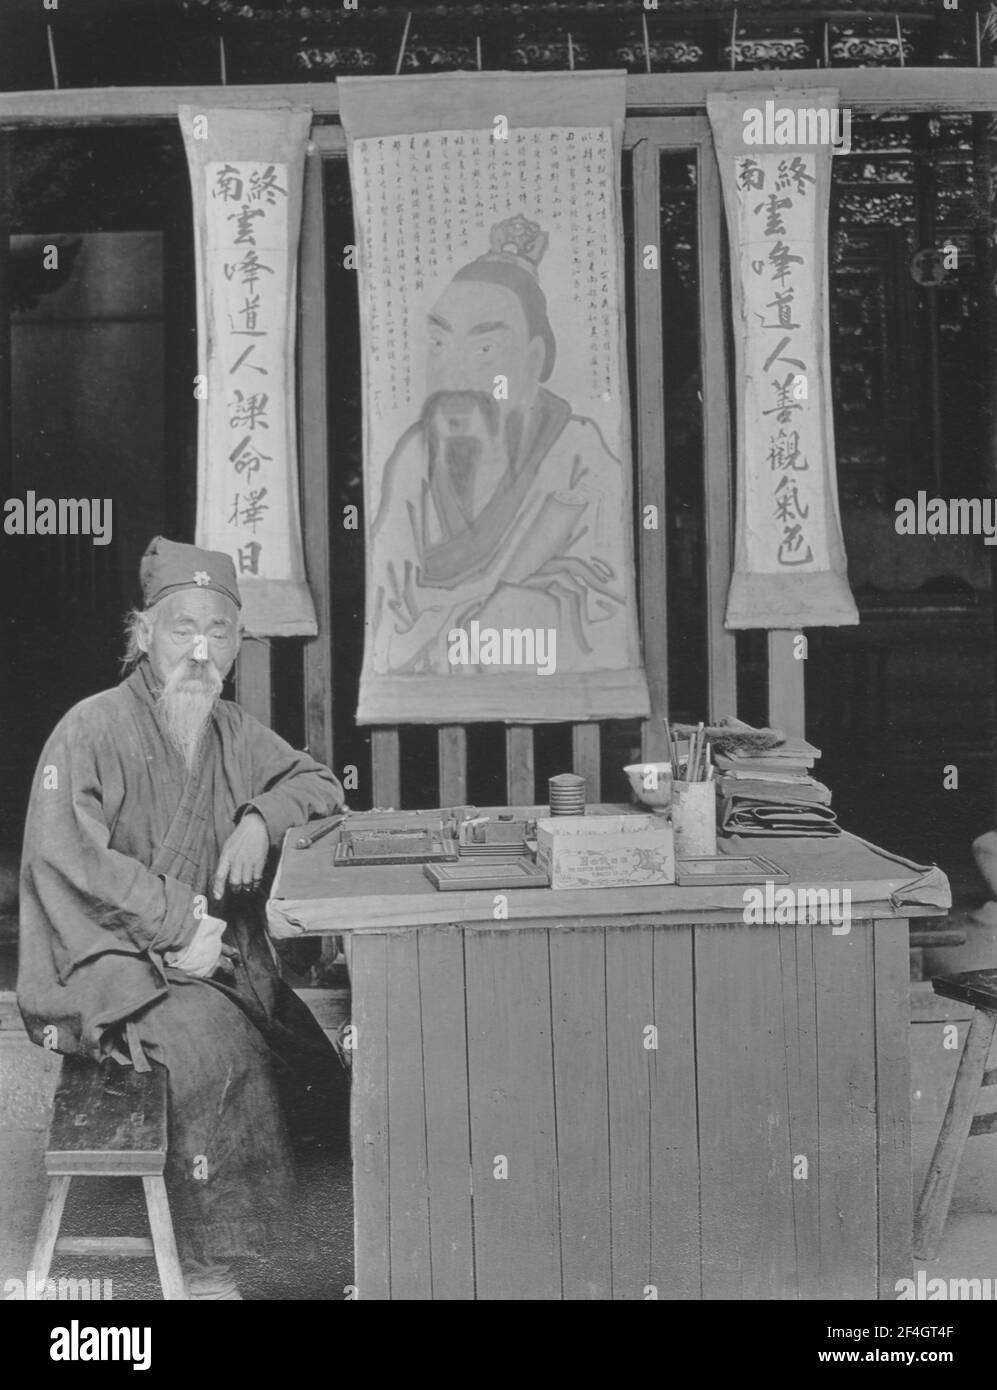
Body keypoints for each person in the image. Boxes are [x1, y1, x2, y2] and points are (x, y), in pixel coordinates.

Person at [17, 536, 347, 1300]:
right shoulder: (91, 727)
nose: (201, 651)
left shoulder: (231, 731)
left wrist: (261, 817)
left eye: (220, 632)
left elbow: (318, 780)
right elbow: (66, 855)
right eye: (181, 629)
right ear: (143, 636)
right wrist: (176, 924)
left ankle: (311, 1258)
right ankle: (216, 1273)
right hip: (111, 966)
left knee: (311, 1062)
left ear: (235, 644)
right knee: (219, 1059)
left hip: (209, 964)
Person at [368, 213, 633, 678]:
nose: (454, 374)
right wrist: (486, 592)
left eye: (485, 350)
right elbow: (387, 605)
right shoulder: (415, 457)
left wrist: (479, 603)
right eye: (438, 343)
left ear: (535, 358)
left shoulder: (580, 451)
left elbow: (605, 598)